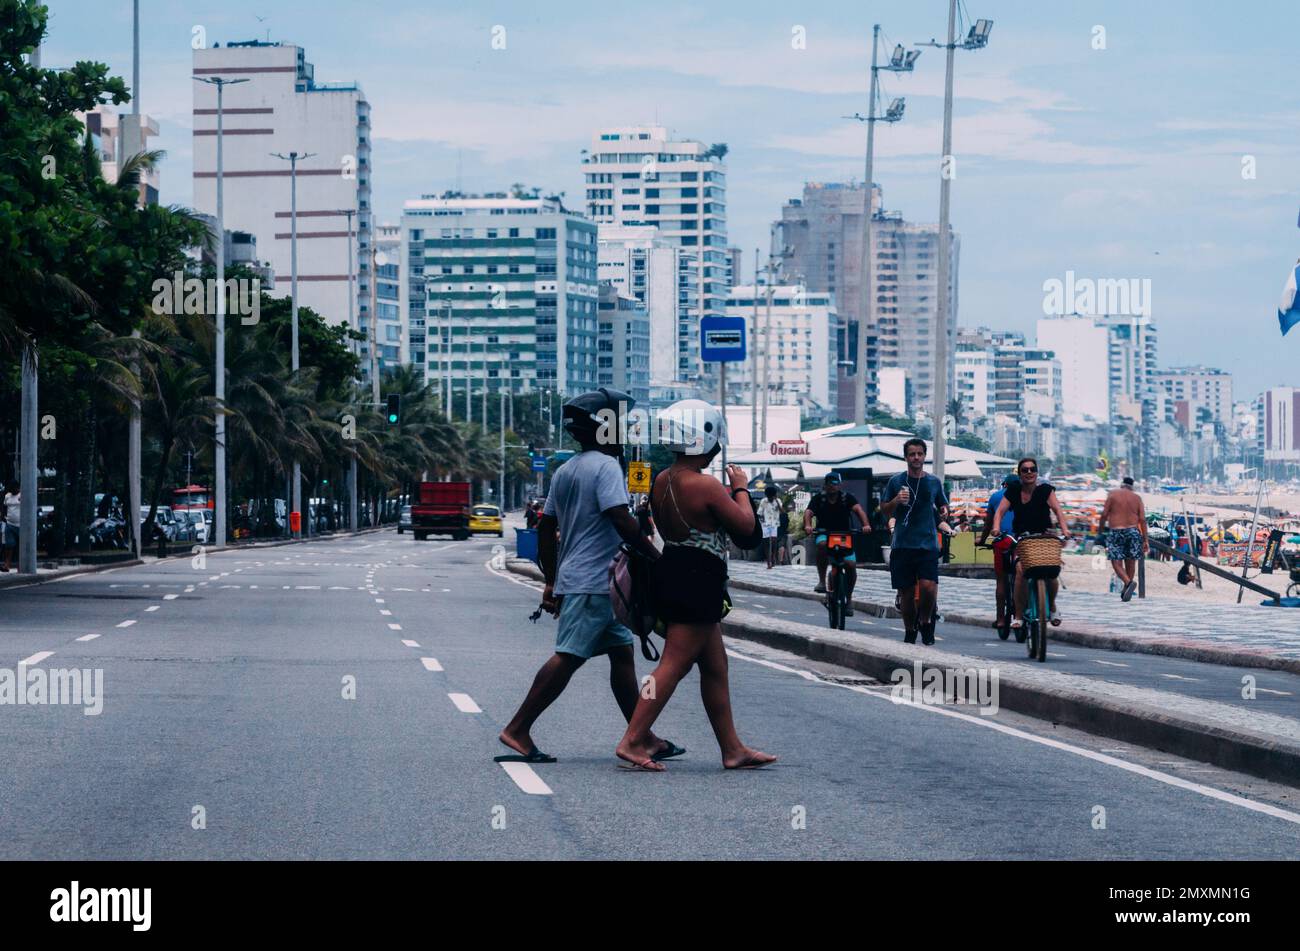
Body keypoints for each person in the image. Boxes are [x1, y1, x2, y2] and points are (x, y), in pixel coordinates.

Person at [499, 388, 682, 765]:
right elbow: (621, 519)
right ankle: (517, 729)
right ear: (605, 429)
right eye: (620, 425)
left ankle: (642, 735)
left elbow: (547, 528)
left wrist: (551, 578)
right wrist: (656, 556)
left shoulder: (566, 470)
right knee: (568, 656)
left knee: (622, 654)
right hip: (594, 583)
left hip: (588, 581)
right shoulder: (605, 467)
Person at [614, 399, 776, 772]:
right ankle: (633, 738)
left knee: (715, 666)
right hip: (698, 579)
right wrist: (740, 488)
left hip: (673, 571)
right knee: (672, 665)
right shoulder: (704, 485)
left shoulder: (662, 479)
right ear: (705, 439)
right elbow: (748, 530)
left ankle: (732, 748)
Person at [878, 439, 949, 645]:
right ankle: (910, 629)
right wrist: (896, 501)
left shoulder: (934, 482)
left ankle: (925, 621)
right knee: (906, 593)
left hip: (927, 544)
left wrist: (945, 511)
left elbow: (942, 505)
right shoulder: (895, 481)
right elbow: (884, 510)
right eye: (912, 454)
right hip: (902, 544)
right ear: (906, 457)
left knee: (928, 587)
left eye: (919, 454)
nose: (916, 457)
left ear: (924, 456)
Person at [991, 457, 1072, 629]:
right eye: (1025, 470)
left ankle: (1052, 606)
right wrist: (996, 528)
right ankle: (1019, 615)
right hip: (1023, 538)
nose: (1029, 473)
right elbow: (999, 512)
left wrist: (1065, 530)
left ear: (1037, 472)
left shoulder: (1045, 490)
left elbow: (1058, 510)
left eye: (1032, 469)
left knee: (1052, 570)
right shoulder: (1013, 491)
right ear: (1020, 474)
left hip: (1044, 537)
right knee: (1020, 570)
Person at [804, 473, 870, 611]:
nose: (832, 486)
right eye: (829, 483)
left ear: (839, 484)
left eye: (835, 483)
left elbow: (859, 510)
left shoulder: (847, 498)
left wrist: (865, 525)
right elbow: (808, 512)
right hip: (824, 534)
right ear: (825, 485)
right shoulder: (819, 499)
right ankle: (822, 581)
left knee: (851, 565)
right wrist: (808, 525)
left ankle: (849, 599)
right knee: (821, 545)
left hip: (844, 536)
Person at [977, 474, 1019, 629]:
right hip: (1022, 542)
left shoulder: (996, 497)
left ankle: (1001, 619)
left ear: (1005, 485)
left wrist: (982, 540)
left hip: (1003, 541)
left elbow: (989, 524)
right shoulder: (1024, 494)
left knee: (1001, 580)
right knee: (1023, 577)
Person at [1099, 476, 1149, 601]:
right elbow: (1142, 520)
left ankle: (1128, 583)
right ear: (1132, 487)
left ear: (1122, 485)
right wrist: (1145, 539)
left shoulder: (1112, 495)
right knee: (1131, 561)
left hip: (1116, 530)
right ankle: (1126, 589)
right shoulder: (1137, 498)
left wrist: (1100, 531)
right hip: (1133, 531)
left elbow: (1104, 514)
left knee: (1116, 561)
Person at [758, 484, 783, 569]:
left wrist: (776, 501)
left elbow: (782, 511)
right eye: (769, 497)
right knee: (766, 543)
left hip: (774, 523)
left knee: (774, 541)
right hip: (765, 524)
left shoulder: (778, 500)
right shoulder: (763, 501)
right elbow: (759, 513)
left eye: (771, 497)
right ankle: (768, 562)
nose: (770, 498)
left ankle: (773, 557)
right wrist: (762, 521)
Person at [1, 481, 18, 572]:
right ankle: (7, 565)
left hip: (21, 526)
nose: (13, 491)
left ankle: (22, 565)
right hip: (10, 524)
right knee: (9, 545)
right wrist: (3, 517)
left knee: (21, 547)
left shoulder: (22, 495)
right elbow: (4, 507)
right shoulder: (7, 496)